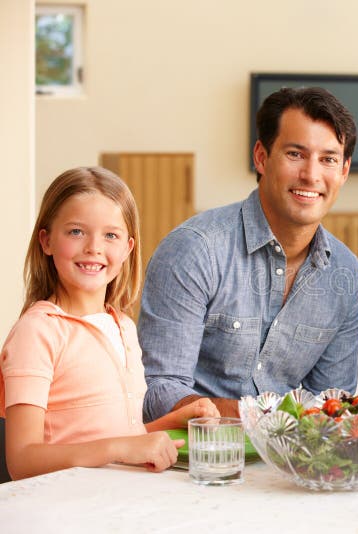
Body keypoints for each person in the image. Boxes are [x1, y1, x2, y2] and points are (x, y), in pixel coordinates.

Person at [139, 87, 358, 421]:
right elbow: (160, 394)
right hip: (191, 459)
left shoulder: (345, 273)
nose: (312, 175)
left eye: (328, 159)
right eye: (295, 154)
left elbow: (331, 405)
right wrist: (261, 417)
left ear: (344, 171)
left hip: (285, 458)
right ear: (261, 157)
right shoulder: (194, 249)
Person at [0, 167, 218, 480]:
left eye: (110, 235)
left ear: (128, 249)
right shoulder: (37, 332)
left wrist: (173, 421)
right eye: (76, 232)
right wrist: (121, 448)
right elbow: (22, 460)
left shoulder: (124, 327)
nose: (94, 247)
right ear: (46, 241)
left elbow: (116, 437)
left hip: (117, 499)